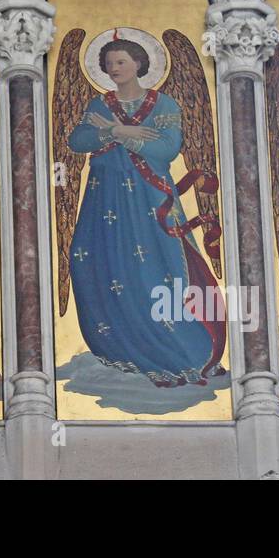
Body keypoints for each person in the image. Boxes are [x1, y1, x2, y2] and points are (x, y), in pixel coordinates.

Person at [67, 38, 225, 387]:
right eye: (109, 63)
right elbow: (77, 141)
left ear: (138, 64)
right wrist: (117, 130)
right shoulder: (100, 103)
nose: (114, 68)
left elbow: (166, 149)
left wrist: (113, 133)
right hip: (104, 195)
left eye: (120, 61)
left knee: (153, 266)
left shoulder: (162, 103)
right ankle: (127, 350)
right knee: (99, 262)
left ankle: (180, 352)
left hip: (148, 195)